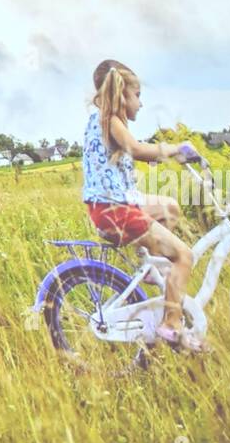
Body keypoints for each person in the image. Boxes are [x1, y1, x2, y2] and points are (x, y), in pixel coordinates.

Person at [82, 58, 204, 351]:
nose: (141, 104)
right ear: (123, 94)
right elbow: (136, 150)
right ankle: (171, 325)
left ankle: (151, 267)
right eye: (138, 96)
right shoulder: (109, 121)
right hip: (116, 211)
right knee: (184, 256)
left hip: (112, 205)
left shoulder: (103, 120)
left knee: (170, 207)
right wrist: (174, 150)